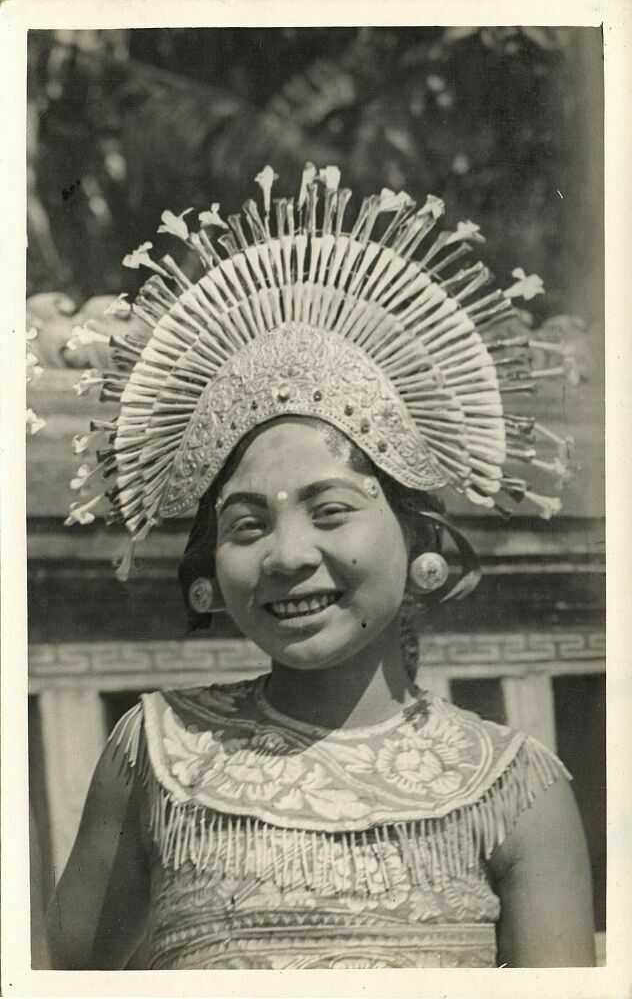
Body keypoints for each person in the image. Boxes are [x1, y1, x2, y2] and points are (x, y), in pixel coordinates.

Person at [46, 165, 595, 970]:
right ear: (208, 577)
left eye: (332, 510)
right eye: (246, 524)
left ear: (422, 549)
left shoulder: (518, 789)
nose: (290, 555)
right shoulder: (153, 755)